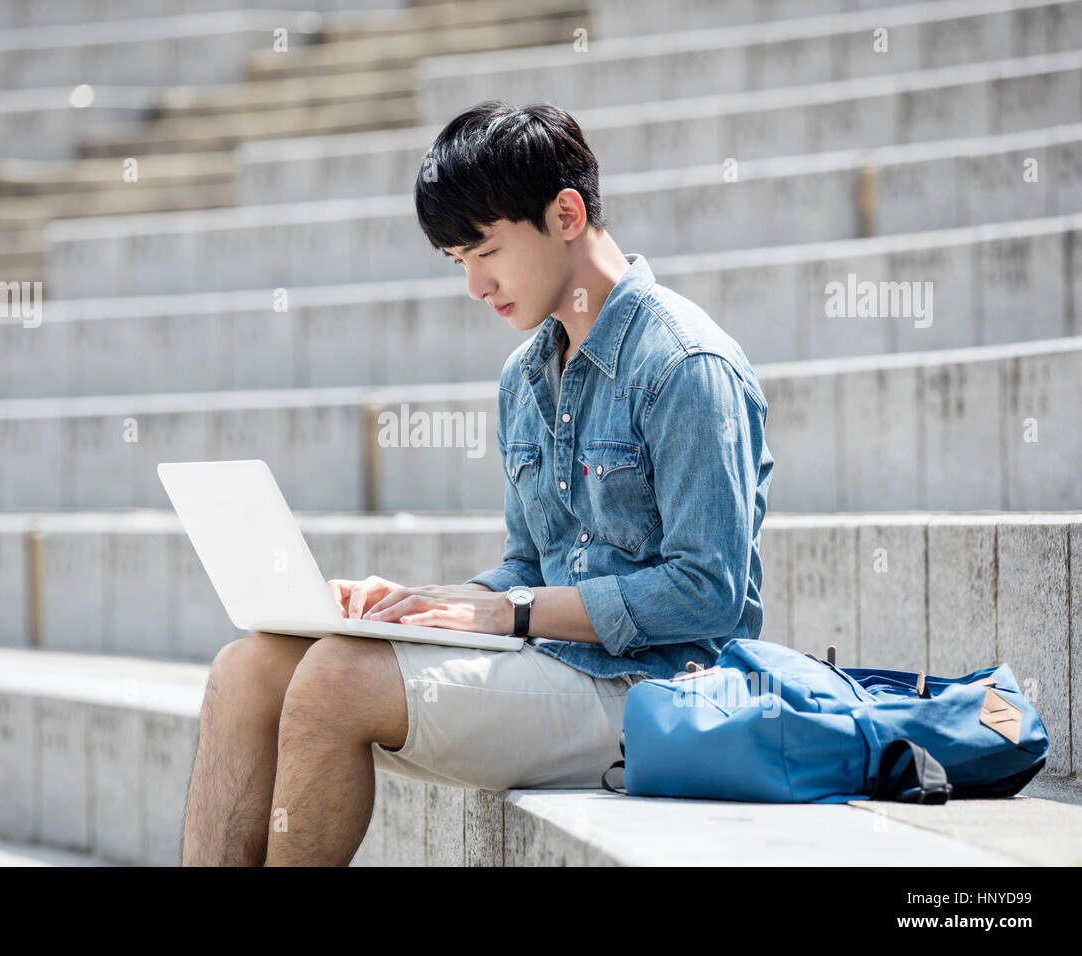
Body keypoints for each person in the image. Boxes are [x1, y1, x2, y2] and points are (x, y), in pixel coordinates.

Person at [181, 100, 775, 866]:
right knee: (250, 668)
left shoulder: (687, 365)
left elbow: (708, 592)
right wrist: (414, 607)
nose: (474, 284)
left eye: (484, 251)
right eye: (457, 261)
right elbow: (527, 570)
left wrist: (511, 612)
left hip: (660, 691)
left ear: (566, 214)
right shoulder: (525, 377)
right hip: (553, 668)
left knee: (333, 680)